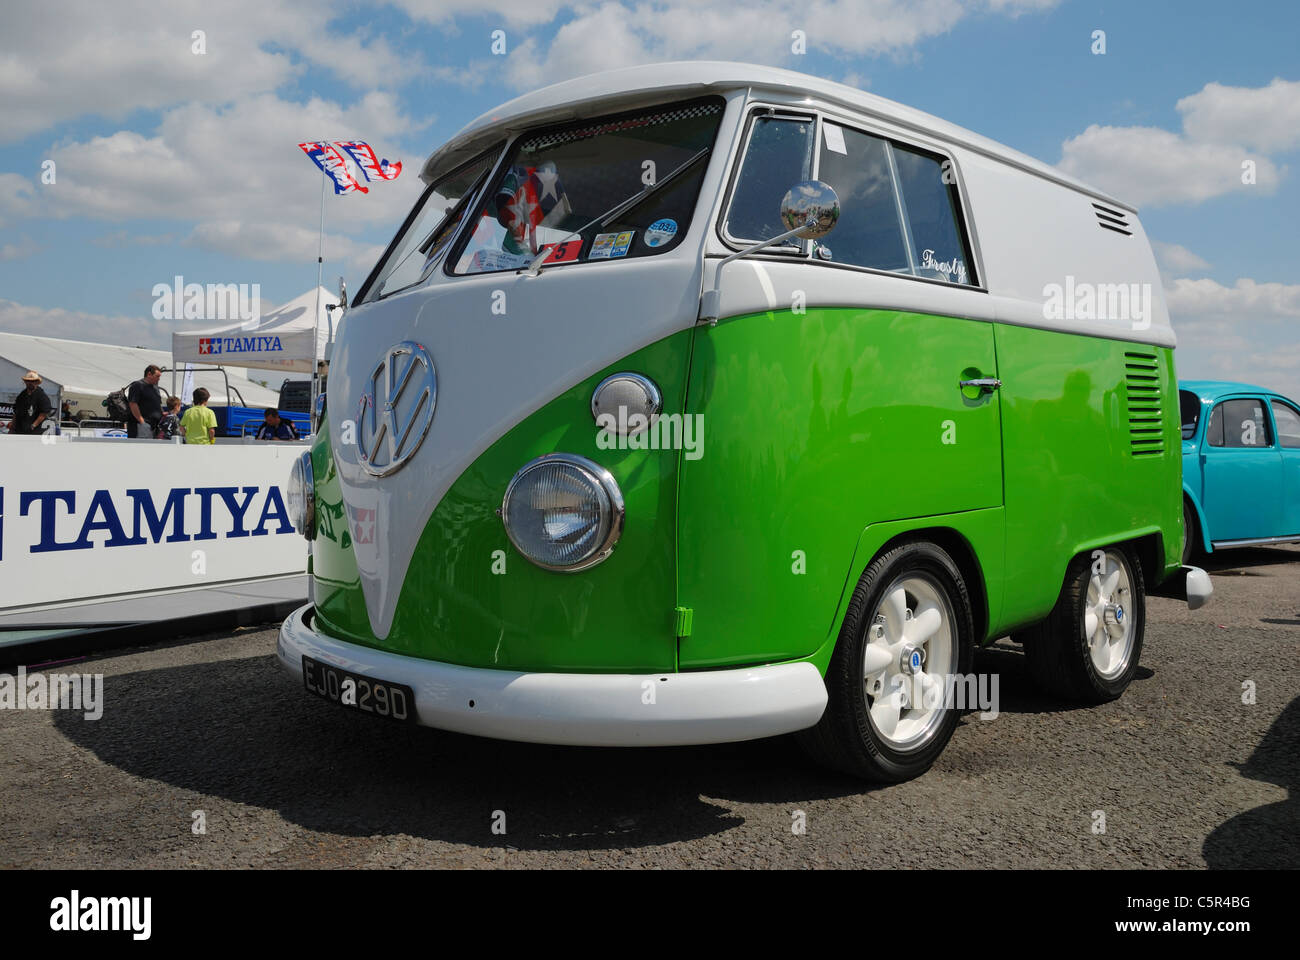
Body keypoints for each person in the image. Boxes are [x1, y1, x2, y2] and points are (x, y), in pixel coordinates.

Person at [7, 371, 54, 435]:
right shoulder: (22, 395)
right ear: (25, 382)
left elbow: (43, 413)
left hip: (36, 431)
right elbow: (16, 412)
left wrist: (33, 425)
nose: (30, 383)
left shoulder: (42, 396)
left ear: (37, 382)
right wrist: (12, 427)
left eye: (33, 381)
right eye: (28, 381)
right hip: (20, 430)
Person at [126, 364, 164, 439]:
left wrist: (162, 413)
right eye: (157, 376)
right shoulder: (137, 385)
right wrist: (142, 422)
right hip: (141, 426)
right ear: (149, 374)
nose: (159, 379)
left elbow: (157, 404)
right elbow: (133, 404)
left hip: (154, 426)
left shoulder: (155, 388)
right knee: (141, 448)